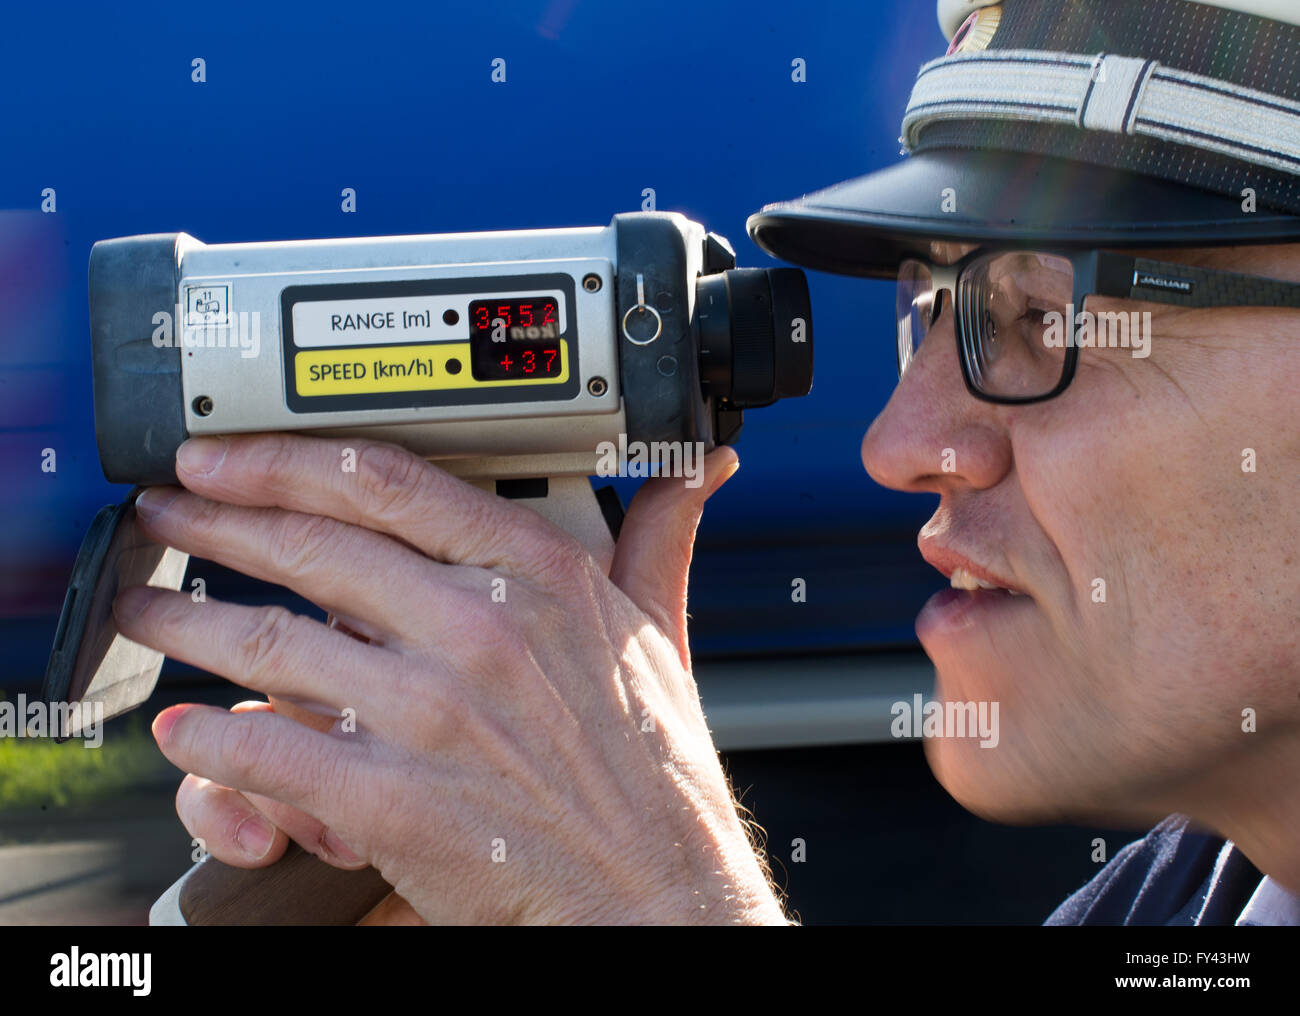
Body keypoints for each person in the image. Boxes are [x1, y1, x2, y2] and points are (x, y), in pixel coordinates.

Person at [113, 0, 1299, 924]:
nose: (898, 445)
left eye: (1040, 318)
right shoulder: (1186, 903)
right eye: (928, 309)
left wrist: (642, 891)